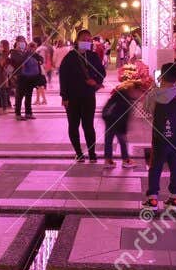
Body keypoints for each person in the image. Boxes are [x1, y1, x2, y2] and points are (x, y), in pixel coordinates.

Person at [57, 27, 106, 162]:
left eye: (89, 40)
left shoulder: (93, 56)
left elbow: (102, 72)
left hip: (88, 96)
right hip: (72, 98)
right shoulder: (70, 57)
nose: (86, 42)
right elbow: (63, 77)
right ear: (77, 41)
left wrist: (95, 81)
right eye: (84, 40)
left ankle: (92, 154)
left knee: (88, 125)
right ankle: (79, 153)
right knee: (73, 125)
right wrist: (64, 97)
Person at [143, 61, 176, 208]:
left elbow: (148, 111)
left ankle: (153, 198)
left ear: (161, 76)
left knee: (155, 167)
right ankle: (174, 198)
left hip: (159, 138)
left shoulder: (153, 94)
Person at [101, 65, 147, 167]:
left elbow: (110, 105)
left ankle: (108, 161)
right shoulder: (125, 100)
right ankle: (126, 161)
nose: (140, 95)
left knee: (109, 140)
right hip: (115, 121)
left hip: (109, 118)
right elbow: (123, 117)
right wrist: (124, 130)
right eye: (139, 92)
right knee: (122, 140)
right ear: (134, 90)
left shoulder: (123, 93)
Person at [11, 36, 41, 119]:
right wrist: (27, 52)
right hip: (20, 76)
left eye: (23, 41)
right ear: (16, 42)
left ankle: (28, 112)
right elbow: (20, 61)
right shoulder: (14, 52)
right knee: (19, 96)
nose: (22, 43)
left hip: (30, 76)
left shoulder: (26, 51)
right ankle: (18, 114)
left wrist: (37, 55)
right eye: (20, 41)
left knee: (29, 95)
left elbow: (37, 58)